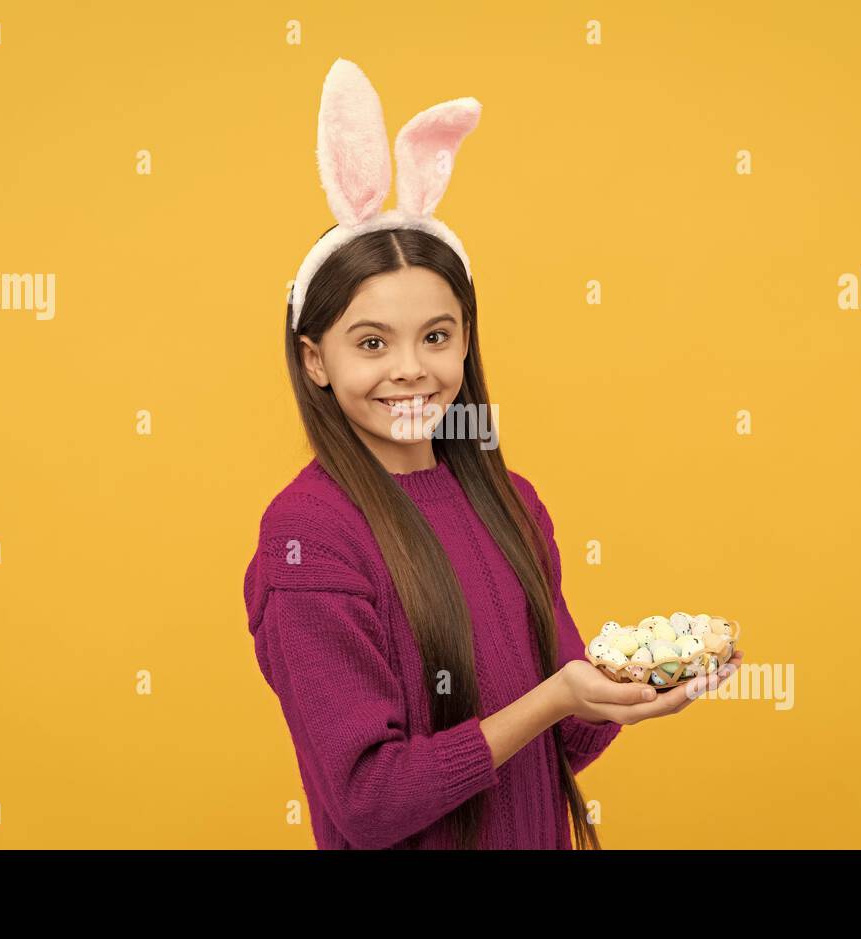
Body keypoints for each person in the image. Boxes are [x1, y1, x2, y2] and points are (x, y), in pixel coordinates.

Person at [243, 58, 741, 851]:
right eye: (371, 342)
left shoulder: (511, 500)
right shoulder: (308, 535)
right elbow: (367, 802)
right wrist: (552, 700)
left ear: (466, 340)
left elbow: (559, 745)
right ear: (315, 360)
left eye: (435, 336)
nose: (410, 367)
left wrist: (630, 687)